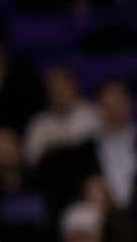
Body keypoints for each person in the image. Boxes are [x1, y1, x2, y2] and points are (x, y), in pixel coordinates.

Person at [43, 81, 137, 215]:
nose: (115, 108)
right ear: (98, 106)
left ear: (129, 104)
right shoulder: (81, 153)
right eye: (109, 103)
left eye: (119, 100)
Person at [26, 66, 101, 167]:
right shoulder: (38, 124)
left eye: (64, 90)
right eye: (56, 92)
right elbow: (32, 159)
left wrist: (56, 146)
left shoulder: (90, 114)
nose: (61, 96)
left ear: (74, 88)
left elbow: (96, 149)